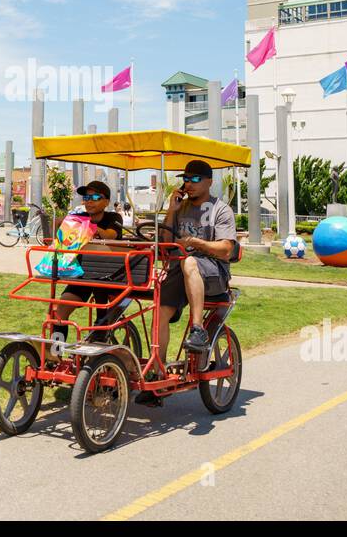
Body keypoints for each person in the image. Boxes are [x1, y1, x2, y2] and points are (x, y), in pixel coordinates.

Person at [138, 159, 237, 407]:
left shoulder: (221, 210)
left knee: (190, 262)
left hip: (214, 272)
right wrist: (171, 209)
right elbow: (165, 241)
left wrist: (193, 242)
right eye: (186, 179)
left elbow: (226, 249)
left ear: (209, 182)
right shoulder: (180, 209)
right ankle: (157, 375)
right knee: (159, 312)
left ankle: (197, 330)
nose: (188, 184)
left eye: (194, 180)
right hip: (180, 270)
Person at [48, 181, 124, 351]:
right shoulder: (80, 217)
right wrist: (61, 223)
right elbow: (59, 232)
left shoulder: (114, 218)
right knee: (59, 312)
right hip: (82, 274)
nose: (89, 201)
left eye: (96, 197)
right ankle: (55, 353)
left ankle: (101, 324)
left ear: (106, 202)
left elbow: (111, 235)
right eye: (86, 197)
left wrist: (88, 227)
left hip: (110, 275)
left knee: (100, 278)